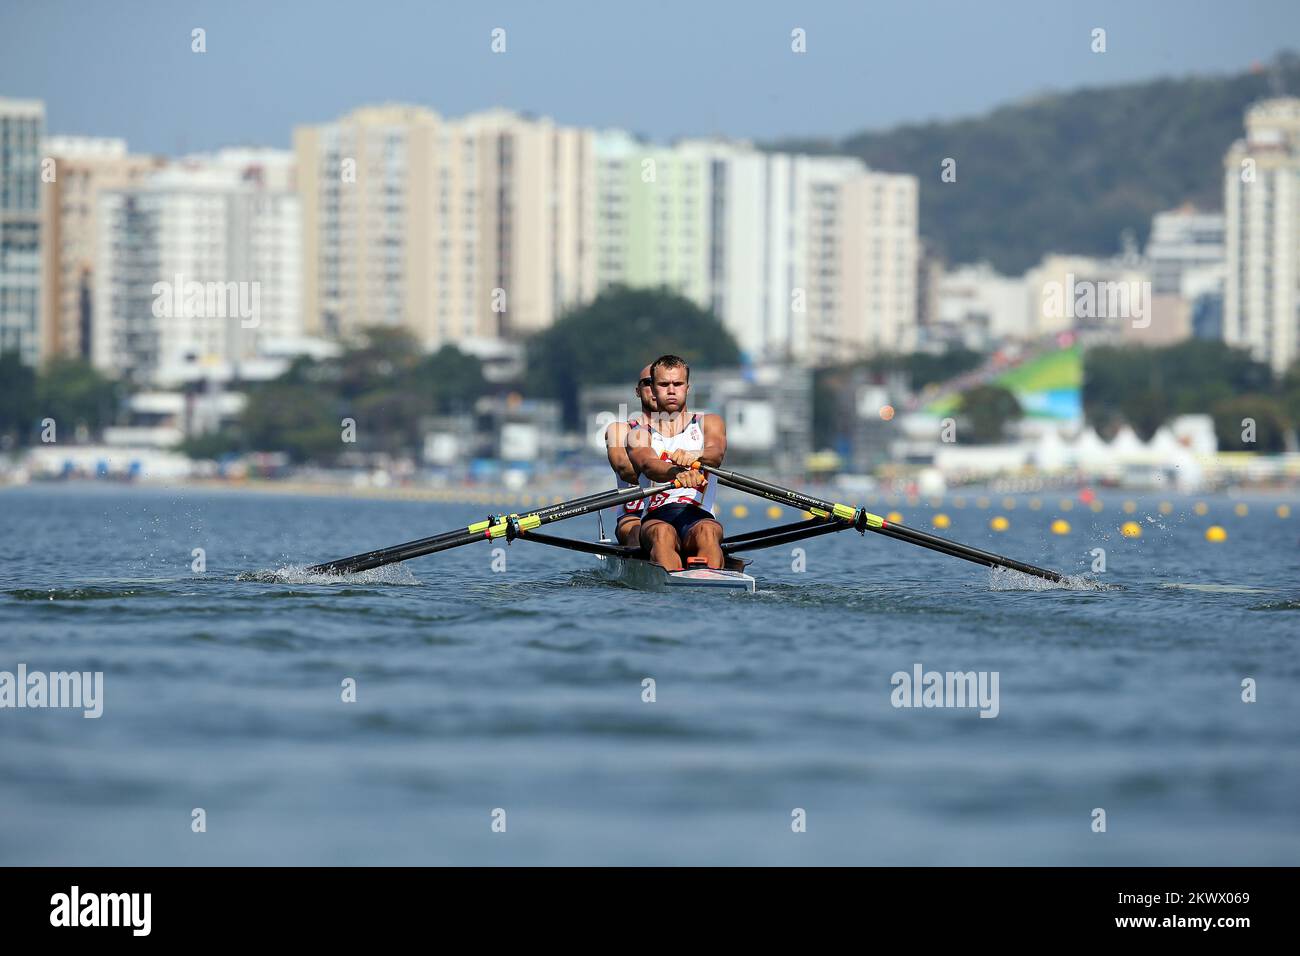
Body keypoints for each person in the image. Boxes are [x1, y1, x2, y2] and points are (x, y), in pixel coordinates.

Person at [626, 354, 727, 571]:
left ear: (687, 388)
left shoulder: (709, 422)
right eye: (664, 384)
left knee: (708, 533)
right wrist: (677, 473)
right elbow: (648, 465)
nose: (671, 390)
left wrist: (696, 457)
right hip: (655, 518)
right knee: (663, 534)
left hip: (699, 517)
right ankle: (671, 589)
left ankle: (710, 589)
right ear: (653, 389)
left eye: (678, 384)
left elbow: (716, 454)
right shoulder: (637, 433)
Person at [603, 364, 657, 546]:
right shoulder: (619, 430)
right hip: (635, 516)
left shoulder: (692, 430)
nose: (656, 388)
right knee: (640, 531)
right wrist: (670, 468)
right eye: (649, 382)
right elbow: (625, 469)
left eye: (663, 383)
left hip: (680, 511)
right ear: (638, 391)